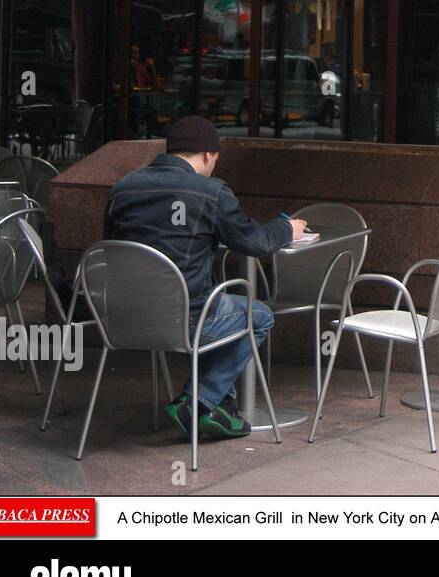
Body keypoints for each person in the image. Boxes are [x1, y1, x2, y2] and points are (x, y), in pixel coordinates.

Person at [104, 115, 307, 439]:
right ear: (209, 155)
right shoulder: (209, 192)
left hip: (122, 319)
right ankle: (199, 402)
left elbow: (113, 249)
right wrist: (288, 228)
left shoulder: (122, 188)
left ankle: (217, 407)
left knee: (216, 299)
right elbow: (254, 243)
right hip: (186, 320)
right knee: (258, 315)